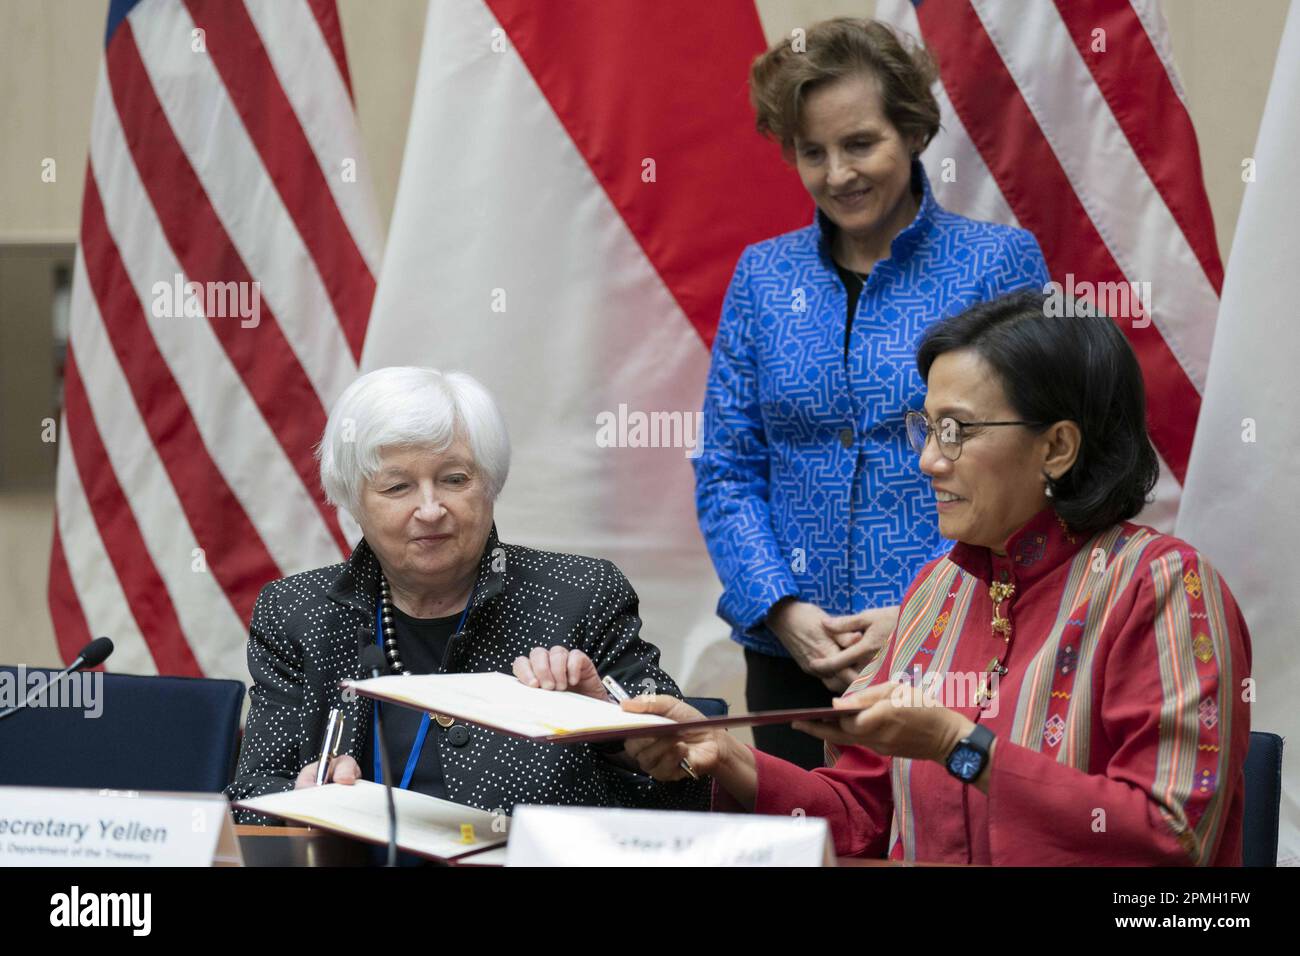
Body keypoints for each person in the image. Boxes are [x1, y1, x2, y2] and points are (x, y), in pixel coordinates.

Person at [625, 291, 1252, 865]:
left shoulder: (1163, 585)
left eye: (957, 431)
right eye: (926, 428)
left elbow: (1173, 836)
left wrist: (960, 745)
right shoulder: (939, 589)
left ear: (1057, 447)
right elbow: (863, 820)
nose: (928, 460)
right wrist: (725, 753)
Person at [695, 17, 1050, 769]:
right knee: (808, 839)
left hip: (951, 642)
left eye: (860, 143)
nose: (837, 174)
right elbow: (728, 469)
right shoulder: (763, 276)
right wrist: (782, 608)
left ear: (913, 131)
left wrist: (921, 615)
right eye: (811, 151)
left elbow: (1021, 470)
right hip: (789, 655)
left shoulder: (996, 263)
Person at [226, 367, 709, 824]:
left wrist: (606, 720)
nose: (431, 509)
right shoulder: (298, 612)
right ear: (354, 501)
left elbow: (686, 767)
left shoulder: (579, 595)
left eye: (455, 480)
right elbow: (249, 795)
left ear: (490, 484)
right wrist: (302, 797)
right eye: (398, 486)